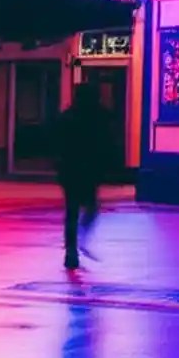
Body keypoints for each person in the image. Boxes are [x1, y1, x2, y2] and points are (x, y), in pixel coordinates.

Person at [55, 82, 108, 270]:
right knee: (91, 207)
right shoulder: (98, 118)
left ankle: (71, 251)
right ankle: (80, 240)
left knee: (72, 211)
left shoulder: (67, 117)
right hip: (88, 169)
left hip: (69, 170)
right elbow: (104, 143)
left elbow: (56, 142)